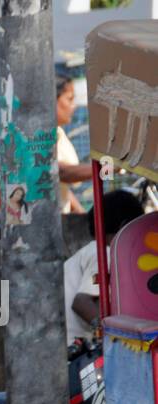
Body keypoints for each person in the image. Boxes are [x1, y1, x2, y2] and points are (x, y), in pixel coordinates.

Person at [64, 189, 145, 343]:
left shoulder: (93, 250)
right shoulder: (104, 254)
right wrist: (115, 338)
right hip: (73, 349)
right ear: (126, 226)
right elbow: (81, 303)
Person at [56, 72, 93, 215]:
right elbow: (62, 172)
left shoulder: (59, 132)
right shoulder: (42, 136)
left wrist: (83, 215)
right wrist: (109, 167)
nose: (74, 106)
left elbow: (62, 186)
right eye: (69, 99)